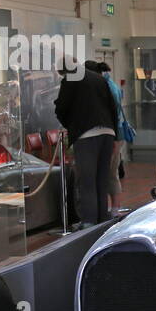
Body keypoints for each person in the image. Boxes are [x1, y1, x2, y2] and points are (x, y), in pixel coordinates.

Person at [54, 55, 119, 227]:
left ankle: (89, 222)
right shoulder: (98, 78)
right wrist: (115, 135)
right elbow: (113, 108)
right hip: (107, 132)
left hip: (86, 135)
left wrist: (71, 126)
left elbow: (61, 108)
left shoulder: (70, 79)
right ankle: (102, 220)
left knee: (87, 181)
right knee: (101, 179)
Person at [95, 61, 131, 213]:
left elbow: (113, 114)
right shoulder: (112, 85)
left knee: (110, 172)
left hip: (114, 134)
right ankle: (114, 206)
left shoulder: (107, 87)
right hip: (116, 134)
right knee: (112, 170)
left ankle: (114, 207)